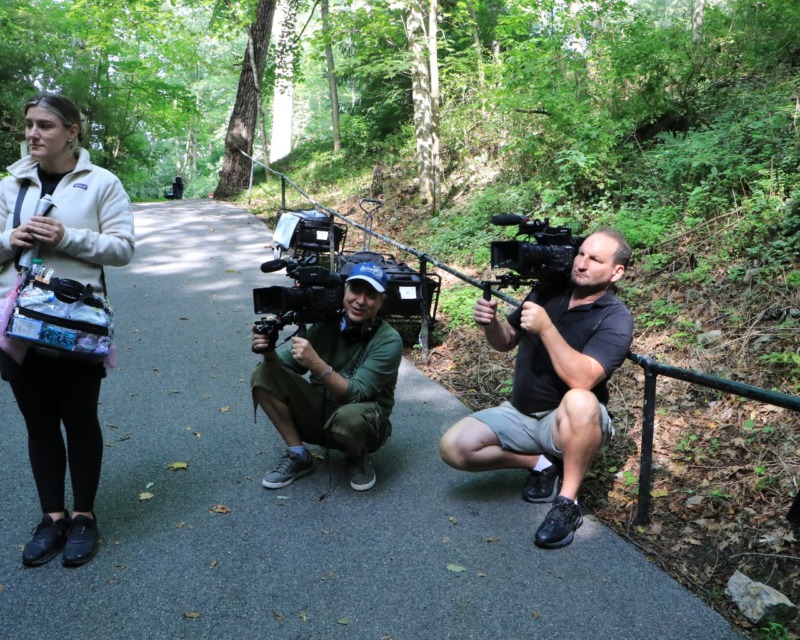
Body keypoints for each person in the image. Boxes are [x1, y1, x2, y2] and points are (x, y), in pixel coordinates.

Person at [0, 93, 135, 567]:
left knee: (79, 420)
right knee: (38, 424)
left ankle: (83, 517)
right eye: (29, 125)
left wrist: (67, 238)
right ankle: (51, 517)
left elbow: (122, 249)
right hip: (18, 326)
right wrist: (8, 240)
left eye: (45, 126)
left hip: (76, 326)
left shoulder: (102, 183)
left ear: (72, 131)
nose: (33, 134)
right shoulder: (10, 185)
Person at [439, 229, 633, 549]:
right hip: (519, 413)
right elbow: (506, 341)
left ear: (617, 271)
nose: (581, 264)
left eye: (594, 259)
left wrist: (546, 328)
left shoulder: (616, 317)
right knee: (454, 447)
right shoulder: (548, 289)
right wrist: (490, 324)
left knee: (581, 399)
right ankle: (541, 465)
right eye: (580, 253)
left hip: (565, 422)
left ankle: (567, 503)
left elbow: (584, 379)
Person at [251, 262, 403, 492]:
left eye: (371, 295)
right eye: (355, 291)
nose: (360, 301)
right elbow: (280, 369)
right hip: (321, 412)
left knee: (350, 417)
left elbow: (355, 394)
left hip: (362, 422)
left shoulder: (389, 340)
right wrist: (268, 350)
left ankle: (356, 456)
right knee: (263, 374)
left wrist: (315, 363)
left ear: (382, 301)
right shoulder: (328, 325)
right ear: (345, 291)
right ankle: (298, 454)